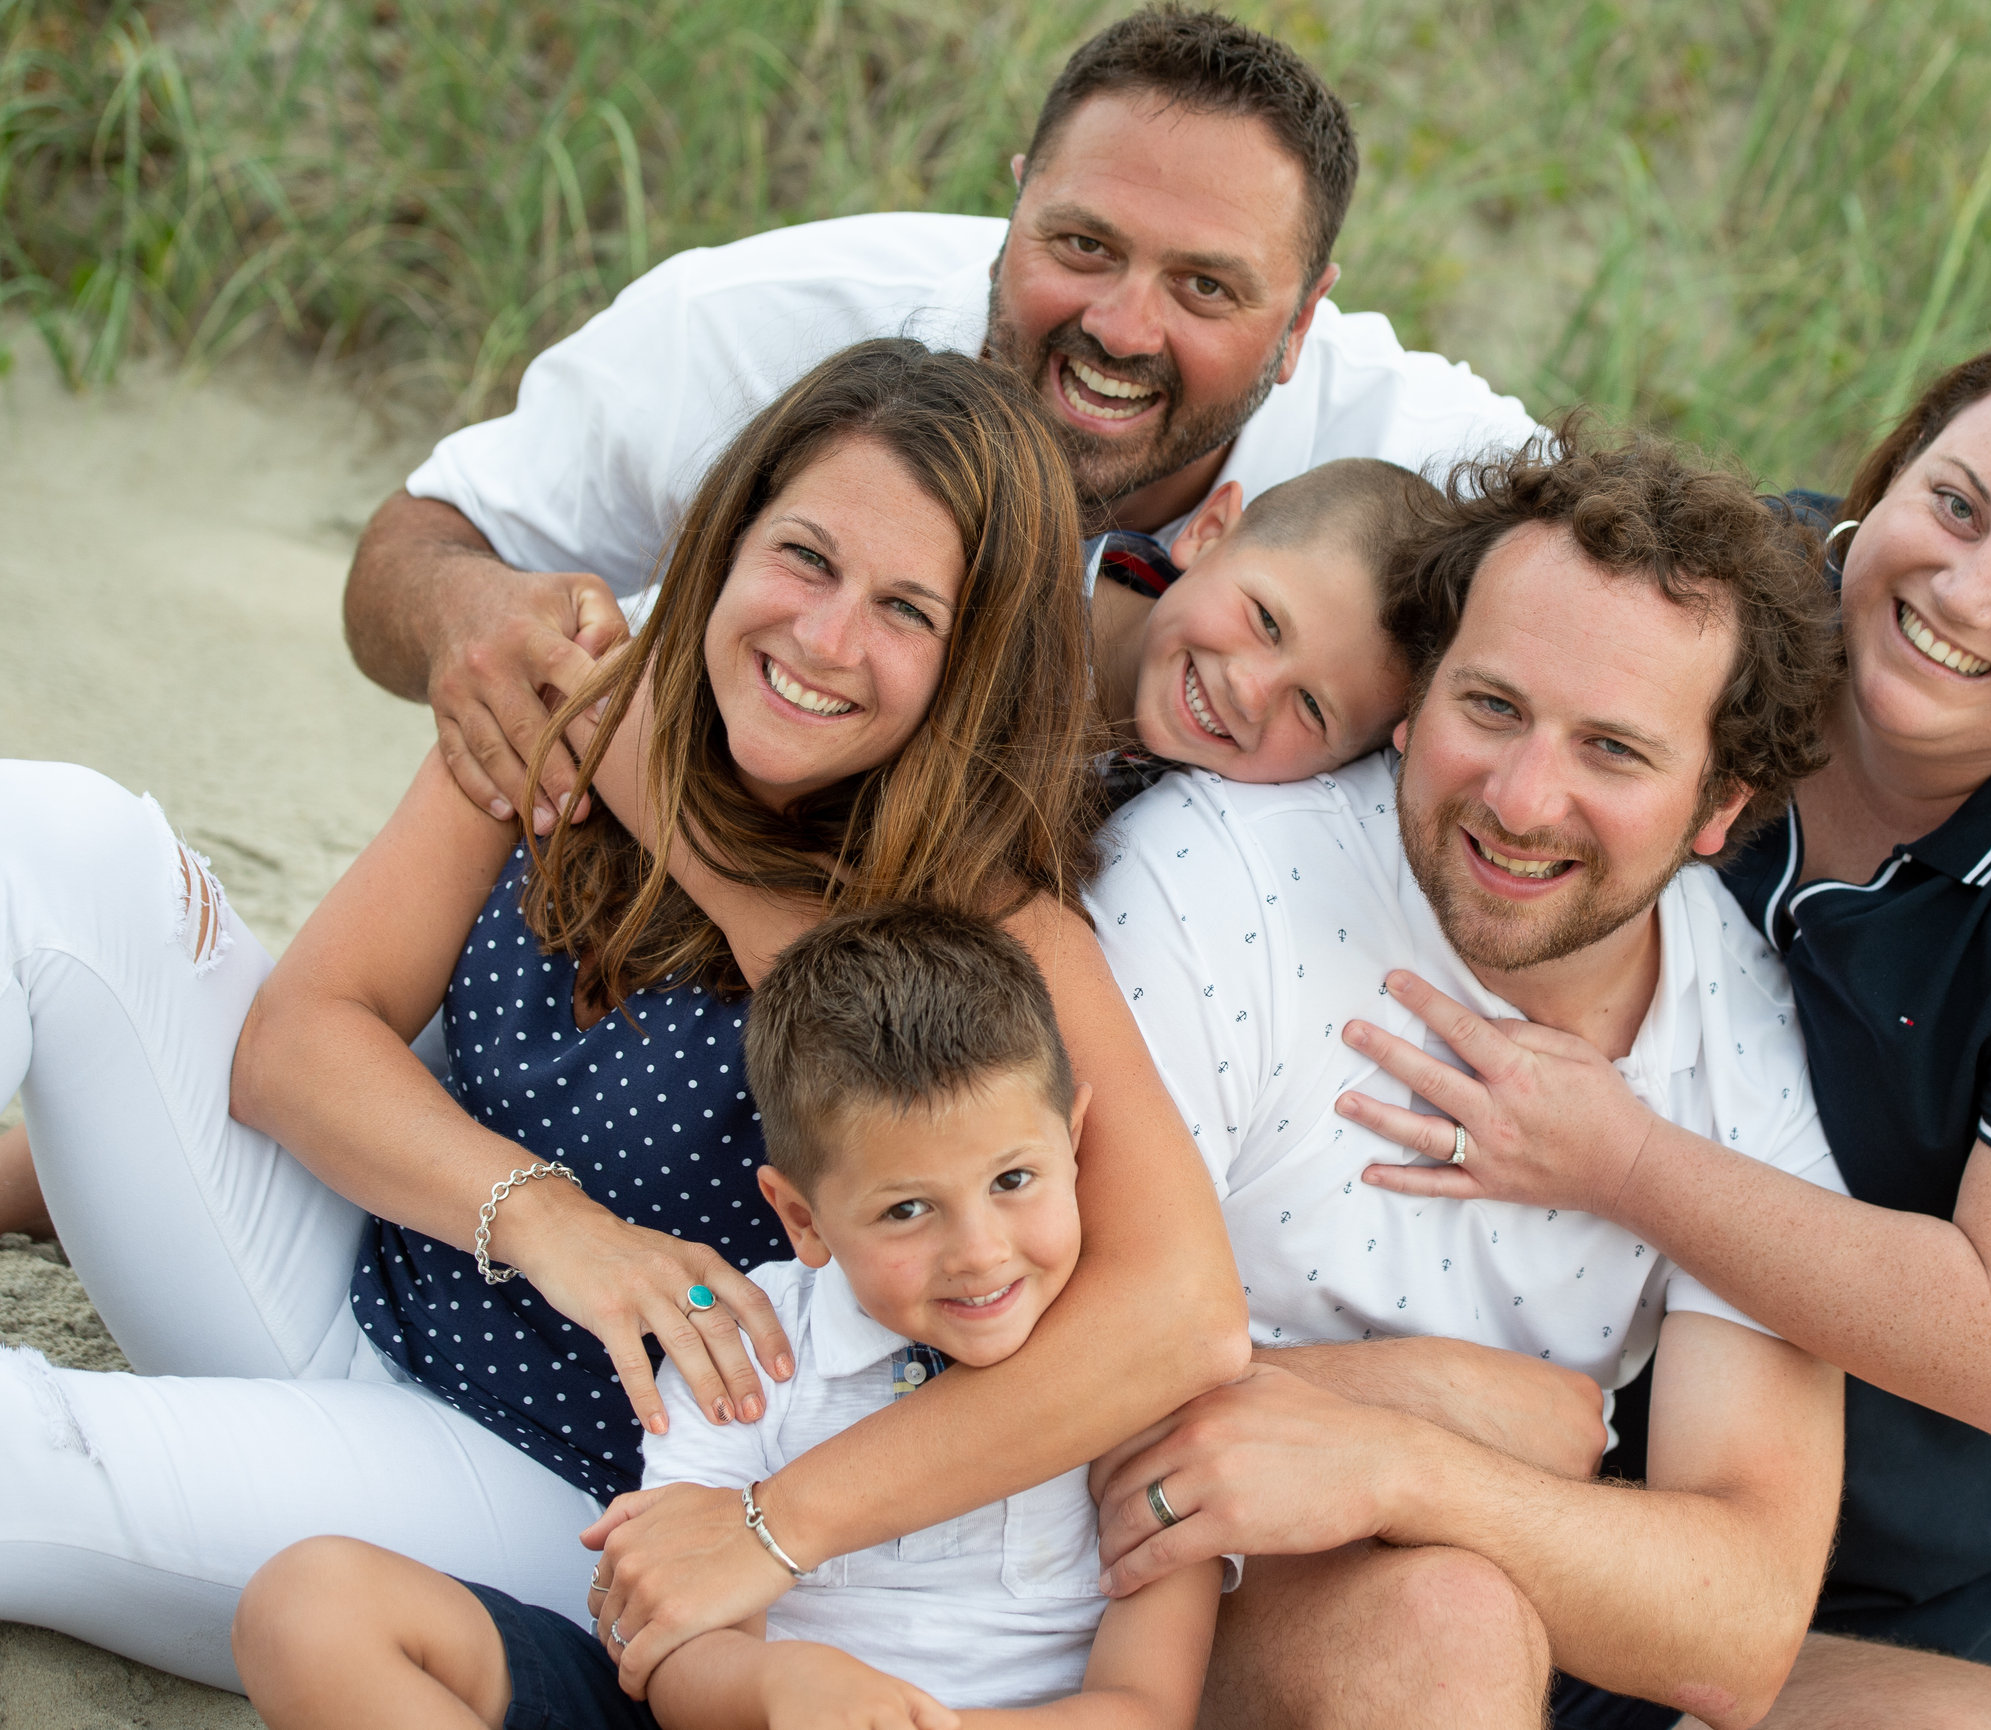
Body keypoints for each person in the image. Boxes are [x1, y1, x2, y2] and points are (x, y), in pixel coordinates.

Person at [0, 337, 1245, 1692]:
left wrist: (774, 1525)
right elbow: (299, 1041)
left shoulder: (997, 932)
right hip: (341, 1269)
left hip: (555, 1486)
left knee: (25, 1452)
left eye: (906, 611)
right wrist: (549, 1223)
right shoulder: (585, 710)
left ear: (967, 664)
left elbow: (1182, 1316)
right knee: (53, 838)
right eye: (805, 558)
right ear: (727, 538)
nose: (824, 638)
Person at [1338, 324, 1991, 1727]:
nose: (1961, 588)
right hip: (1571, 1416)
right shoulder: (1731, 611)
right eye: (1952, 505)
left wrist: (1618, 1159)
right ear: (1885, 479)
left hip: (1870, 1557)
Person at [1076, 428, 1854, 1730]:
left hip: (1476, 1606)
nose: (1519, 797)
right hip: (1119, 1604)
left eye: (1611, 749)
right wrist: (1501, 1410)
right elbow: (1029, 1373)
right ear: (1418, 690)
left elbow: (1739, 1623)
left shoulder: (1733, 1022)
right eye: (1489, 706)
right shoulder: (1211, 878)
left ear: (1717, 805)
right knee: (1445, 1623)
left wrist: (1402, 1459)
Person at [342, 6, 1540, 835]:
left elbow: (1685, 583)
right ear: (1012, 201)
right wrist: (468, 612)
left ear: (1302, 318)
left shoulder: (1418, 451)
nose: (1122, 328)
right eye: (1081, 245)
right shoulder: (760, 323)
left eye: (1206, 287)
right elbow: (414, 544)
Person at [233, 905, 1223, 1730]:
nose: (979, 1248)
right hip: (754, 1714)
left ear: (1074, 1140)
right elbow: (674, 1647)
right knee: (311, 1603)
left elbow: (1146, 1703)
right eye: (906, 1208)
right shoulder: (754, 1344)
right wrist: (778, 1685)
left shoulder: (1133, 1370)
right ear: (802, 1215)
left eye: (1014, 1178)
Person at [1088, 458, 1445, 786]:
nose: (1250, 694)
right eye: (1267, 621)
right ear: (1208, 532)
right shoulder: (1034, 570)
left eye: (1312, 707)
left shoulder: (1178, 826)